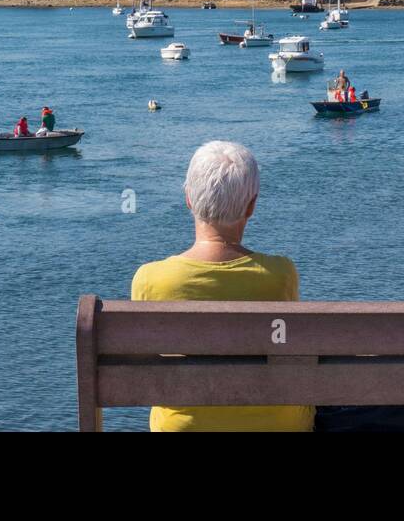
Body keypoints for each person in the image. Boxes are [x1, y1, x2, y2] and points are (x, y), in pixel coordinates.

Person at [131, 141, 312, 432]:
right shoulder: (281, 274)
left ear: (188, 199)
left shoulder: (150, 279)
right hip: (275, 425)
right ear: (251, 206)